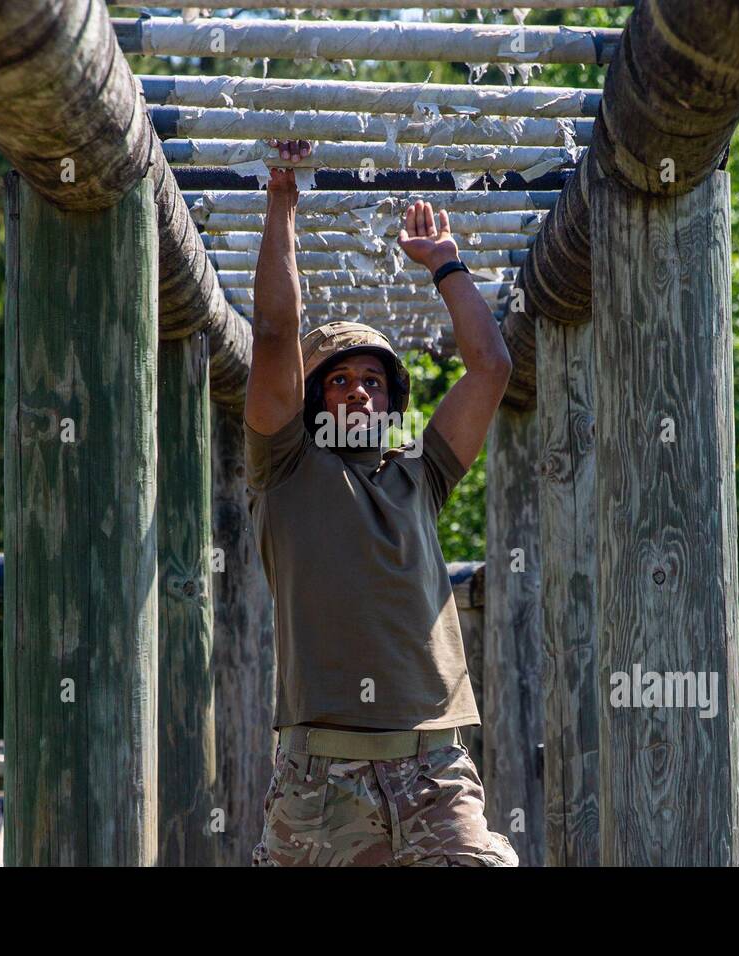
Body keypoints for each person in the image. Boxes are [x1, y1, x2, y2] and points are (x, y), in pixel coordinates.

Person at [246, 138, 518, 866]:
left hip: (433, 769)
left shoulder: (421, 475)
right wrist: (282, 204)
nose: (359, 391)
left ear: (392, 401)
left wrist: (447, 265)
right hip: (321, 775)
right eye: (339, 381)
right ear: (311, 401)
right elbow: (273, 334)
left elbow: (490, 368)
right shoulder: (284, 468)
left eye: (372, 380)